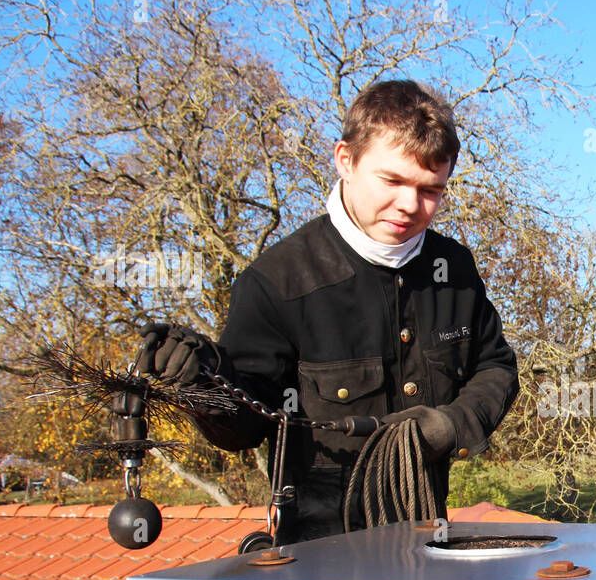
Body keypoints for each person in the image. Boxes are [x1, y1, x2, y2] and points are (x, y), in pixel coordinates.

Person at [136, 79, 520, 541]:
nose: (410, 206)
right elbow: (244, 425)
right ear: (345, 160)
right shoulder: (277, 281)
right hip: (316, 558)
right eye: (393, 181)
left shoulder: (452, 268)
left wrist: (451, 425)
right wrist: (202, 381)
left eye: (430, 190)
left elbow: (495, 365)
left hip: (428, 541)